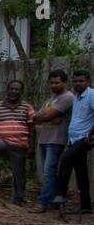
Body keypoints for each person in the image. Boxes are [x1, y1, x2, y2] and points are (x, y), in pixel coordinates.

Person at [49, 68, 94, 215]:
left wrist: (90, 135)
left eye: (81, 81)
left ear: (88, 81)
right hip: (73, 138)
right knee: (81, 172)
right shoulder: (76, 97)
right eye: (75, 81)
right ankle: (86, 205)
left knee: (66, 157)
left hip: (85, 138)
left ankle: (60, 194)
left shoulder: (91, 95)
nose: (78, 83)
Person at [31, 70, 74, 213]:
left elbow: (46, 115)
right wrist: (44, 118)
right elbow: (35, 117)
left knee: (49, 171)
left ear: (64, 82)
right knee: (48, 172)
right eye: (52, 83)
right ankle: (54, 201)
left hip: (56, 139)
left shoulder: (67, 97)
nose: (54, 85)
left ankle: (43, 202)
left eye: (57, 82)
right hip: (45, 138)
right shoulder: (52, 98)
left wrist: (44, 117)